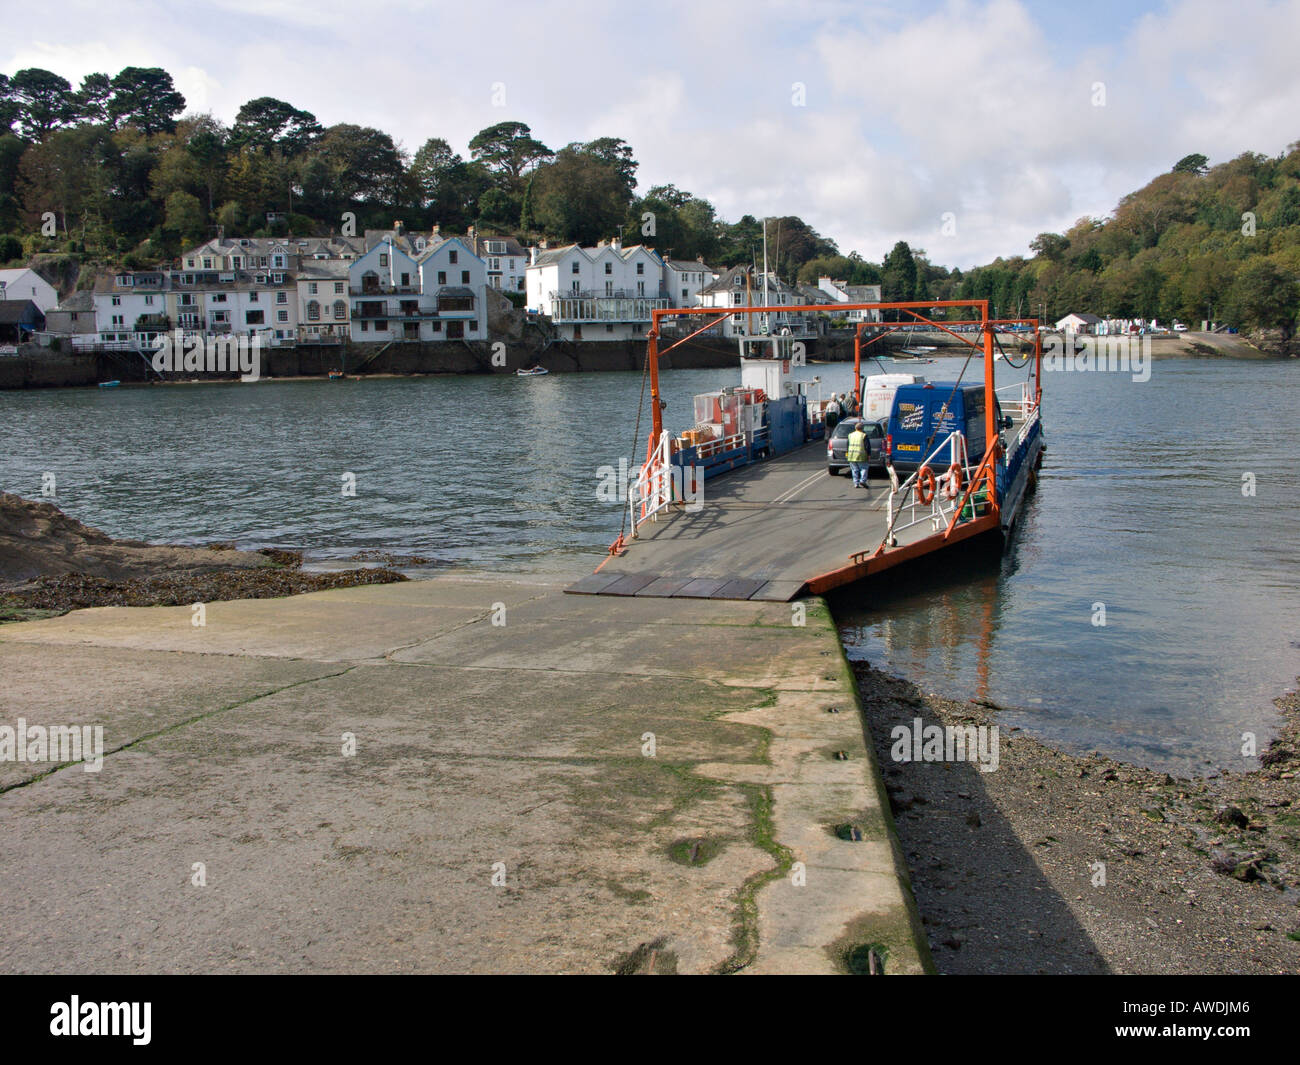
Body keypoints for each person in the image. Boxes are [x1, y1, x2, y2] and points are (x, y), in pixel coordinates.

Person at [845, 420, 870, 490]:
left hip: (851, 455)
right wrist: (868, 454)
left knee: (854, 470)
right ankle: (862, 481)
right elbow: (867, 446)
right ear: (862, 428)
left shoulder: (850, 435)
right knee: (864, 468)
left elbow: (847, 445)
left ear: (855, 428)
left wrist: (847, 453)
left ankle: (856, 483)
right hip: (861, 455)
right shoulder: (864, 435)